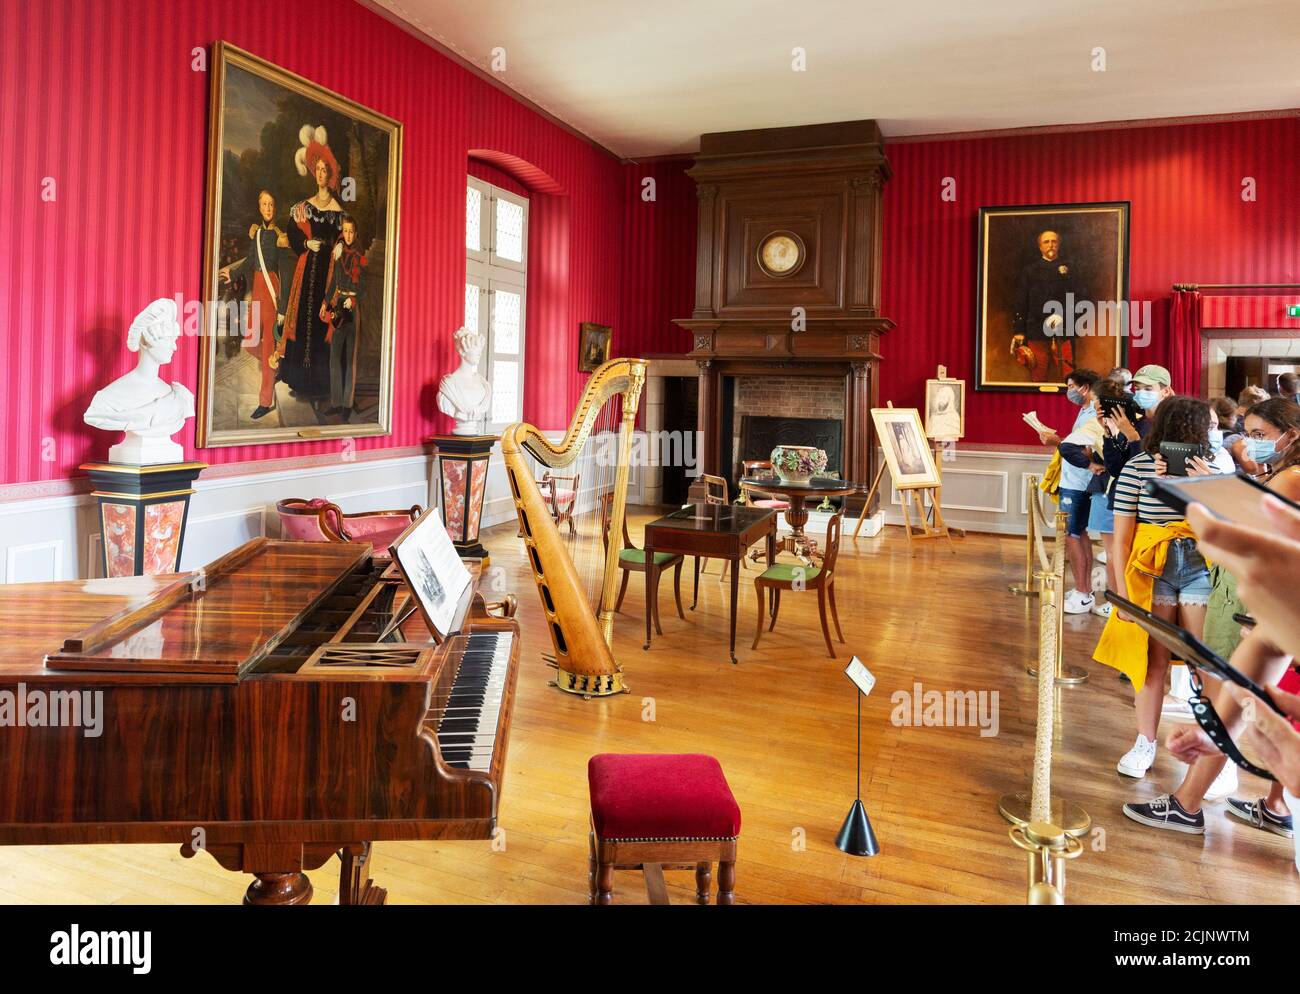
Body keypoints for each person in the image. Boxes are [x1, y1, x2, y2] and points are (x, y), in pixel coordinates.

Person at [1093, 397, 1218, 779]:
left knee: (1205, 662)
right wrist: (1124, 596)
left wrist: (1200, 485)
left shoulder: (1211, 471)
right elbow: (1122, 537)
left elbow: (1226, 529)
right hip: (1152, 569)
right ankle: (1144, 741)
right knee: (1153, 660)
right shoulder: (1136, 468)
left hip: (1200, 565)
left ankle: (1212, 747)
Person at [280, 125, 344, 403]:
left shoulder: (339, 211)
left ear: (330, 173)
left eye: (324, 170)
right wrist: (306, 244)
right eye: (317, 169)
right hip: (306, 275)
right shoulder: (302, 207)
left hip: (328, 277)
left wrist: (341, 244)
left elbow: (347, 236)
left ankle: (321, 383)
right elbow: (292, 233)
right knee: (304, 320)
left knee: (323, 323)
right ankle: (299, 380)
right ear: (313, 172)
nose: (321, 174)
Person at [218, 189, 289, 421]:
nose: (268, 208)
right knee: (249, 342)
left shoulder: (280, 236)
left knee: (268, 345)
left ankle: (265, 401)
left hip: (271, 290)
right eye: (264, 204)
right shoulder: (256, 234)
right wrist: (233, 273)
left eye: (271, 204)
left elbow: (286, 272)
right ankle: (275, 364)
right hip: (257, 289)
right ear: (259, 207)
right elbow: (250, 261)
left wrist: (282, 305)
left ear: (275, 208)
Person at [1053, 369, 1103, 613]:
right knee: (1078, 534)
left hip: (1079, 482)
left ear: (1085, 387)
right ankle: (1084, 590)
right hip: (1074, 480)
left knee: (1072, 535)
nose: (1069, 391)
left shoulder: (1095, 413)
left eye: (1072, 386)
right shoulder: (1086, 411)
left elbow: (1086, 451)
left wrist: (1057, 442)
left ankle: (1083, 592)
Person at [1010, 230, 1083, 384]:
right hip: (1036, 329)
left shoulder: (1071, 268)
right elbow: (1021, 301)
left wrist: (1062, 315)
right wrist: (1019, 330)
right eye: (1046, 242)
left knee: (1068, 375)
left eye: (1054, 241)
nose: (1051, 245)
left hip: (1064, 328)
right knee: (1038, 373)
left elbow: (1079, 297)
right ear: (1040, 247)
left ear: (1059, 245)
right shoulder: (1029, 271)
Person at [320, 215, 367, 418]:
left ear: (355, 234)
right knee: (334, 357)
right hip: (339, 306)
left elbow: (364, 288)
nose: (348, 234)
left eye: (351, 231)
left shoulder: (361, 257)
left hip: (353, 309)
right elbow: (332, 284)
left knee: (350, 359)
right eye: (345, 231)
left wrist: (354, 301)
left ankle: (347, 405)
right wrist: (325, 303)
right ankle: (336, 402)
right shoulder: (338, 254)